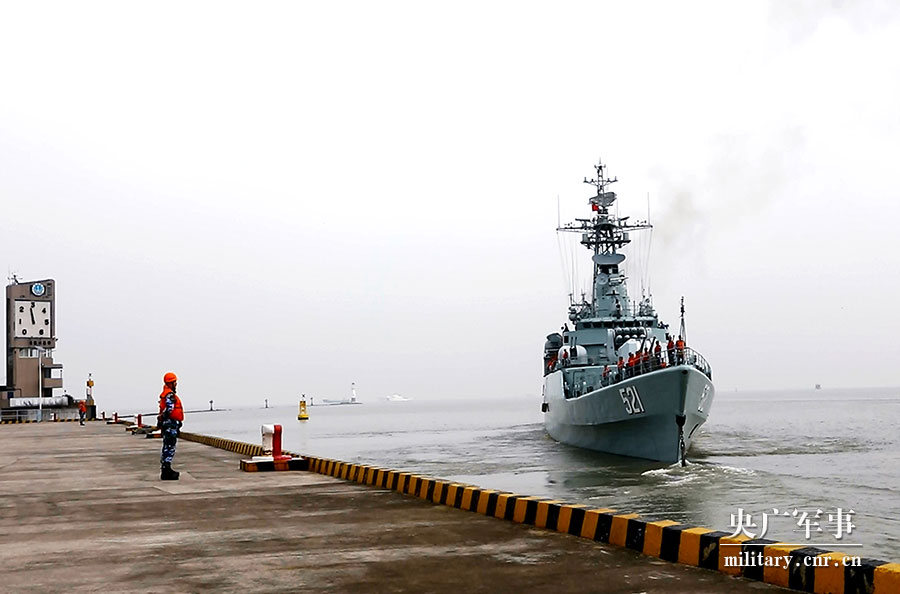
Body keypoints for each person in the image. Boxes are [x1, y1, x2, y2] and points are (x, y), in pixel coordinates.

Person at [157, 372, 184, 480]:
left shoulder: (165, 394)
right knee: (170, 446)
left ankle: (166, 468)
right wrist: (167, 419)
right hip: (170, 424)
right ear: (171, 383)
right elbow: (169, 409)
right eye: (175, 382)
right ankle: (166, 470)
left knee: (167, 446)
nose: (176, 384)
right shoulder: (170, 395)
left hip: (168, 424)